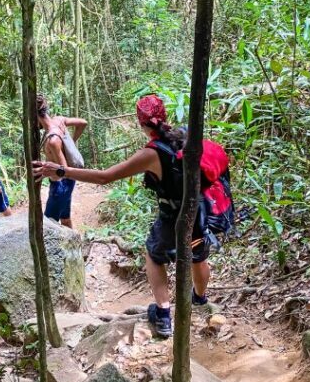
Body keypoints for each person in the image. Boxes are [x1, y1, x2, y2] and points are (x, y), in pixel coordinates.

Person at [33, 94, 221, 338]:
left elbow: (105, 177)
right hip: (199, 209)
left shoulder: (152, 153)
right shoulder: (182, 136)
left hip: (172, 216)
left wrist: (60, 170)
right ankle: (200, 298)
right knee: (198, 254)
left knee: (153, 255)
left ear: (141, 123)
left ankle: (163, 316)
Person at [37, 95, 87, 228]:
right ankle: (76, 247)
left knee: (49, 225)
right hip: (67, 183)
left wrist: (44, 170)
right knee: (65, 219)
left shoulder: (53, 140)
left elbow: (65, 171)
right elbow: (83, 123)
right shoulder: (59, 120)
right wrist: (73, 142)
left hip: (61, 186)